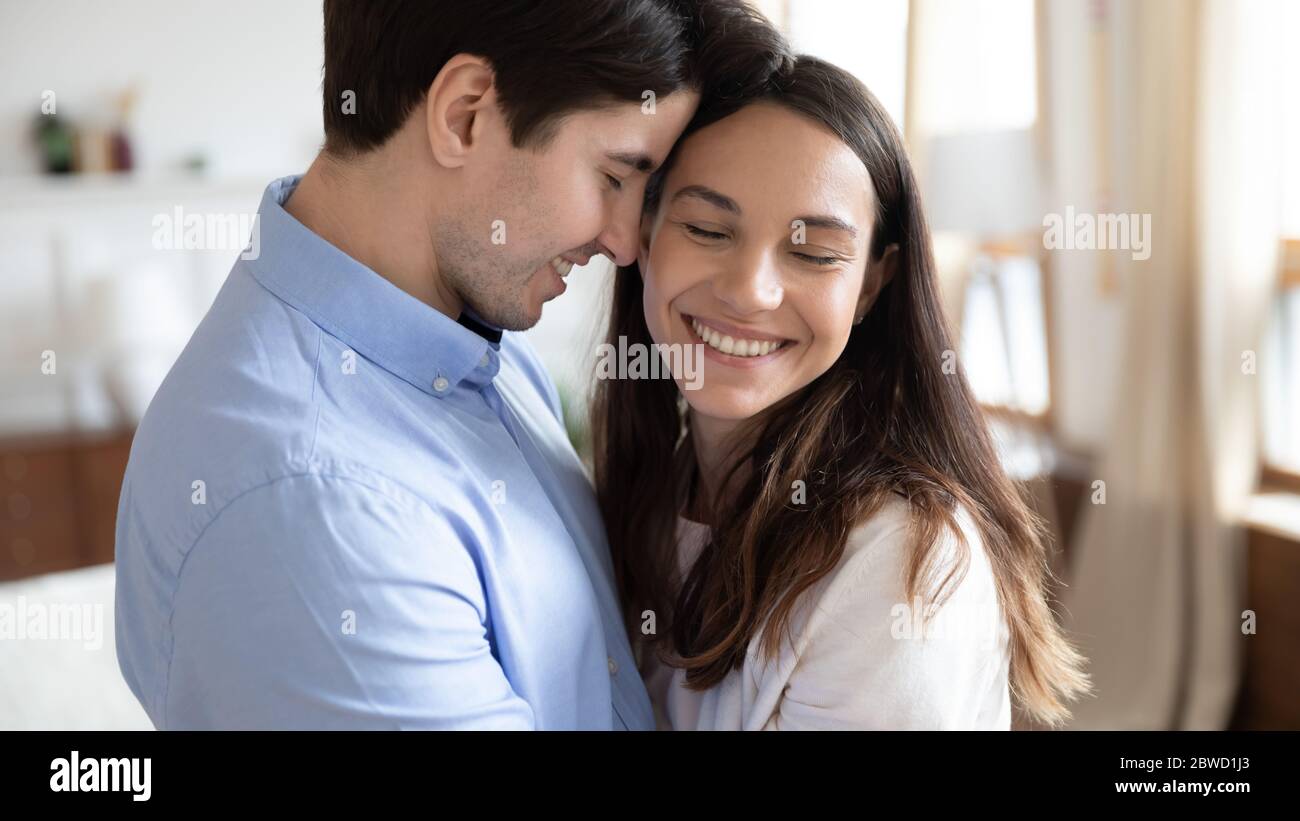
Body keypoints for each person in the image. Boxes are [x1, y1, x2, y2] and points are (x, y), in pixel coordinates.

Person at [114, 0, 785, 730]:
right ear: (465, 114)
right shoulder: (316, 509)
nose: (625, 243)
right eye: (616, 174)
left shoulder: (474, 344)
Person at [592, 54, 1092, 730]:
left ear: (870, 286)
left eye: (814, 252)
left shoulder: (901, 560)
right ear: (643, 235)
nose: (749, 290)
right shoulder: (649, 490)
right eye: (709, 230)